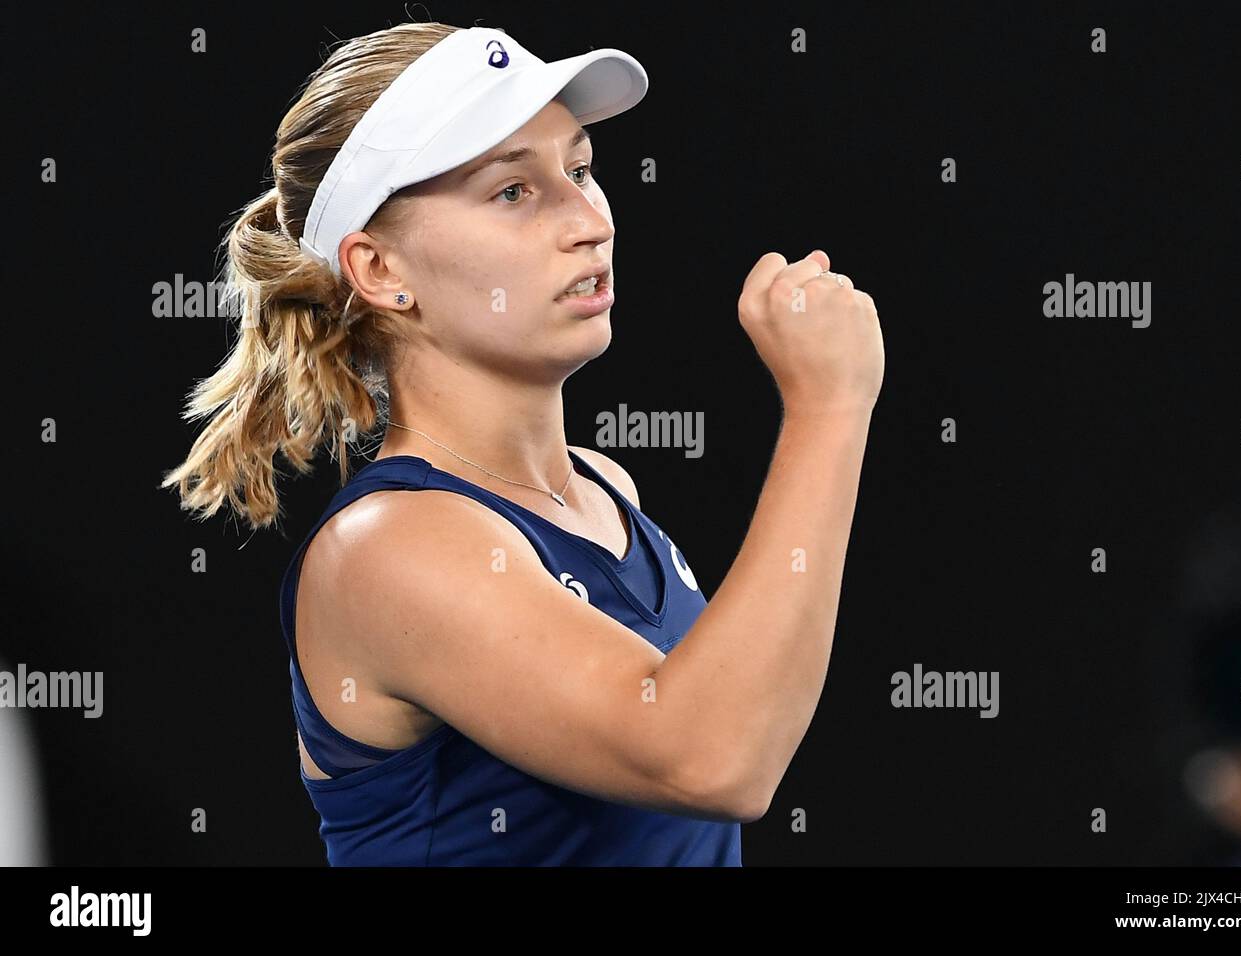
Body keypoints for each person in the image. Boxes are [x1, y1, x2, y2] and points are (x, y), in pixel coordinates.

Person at [160, 21, 884, 865]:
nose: (589, 221)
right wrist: (829, 407)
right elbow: (712, 757)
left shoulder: (603, 491)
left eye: (580, 169)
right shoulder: (385, 549)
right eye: (513, 191)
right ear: (381, 271)